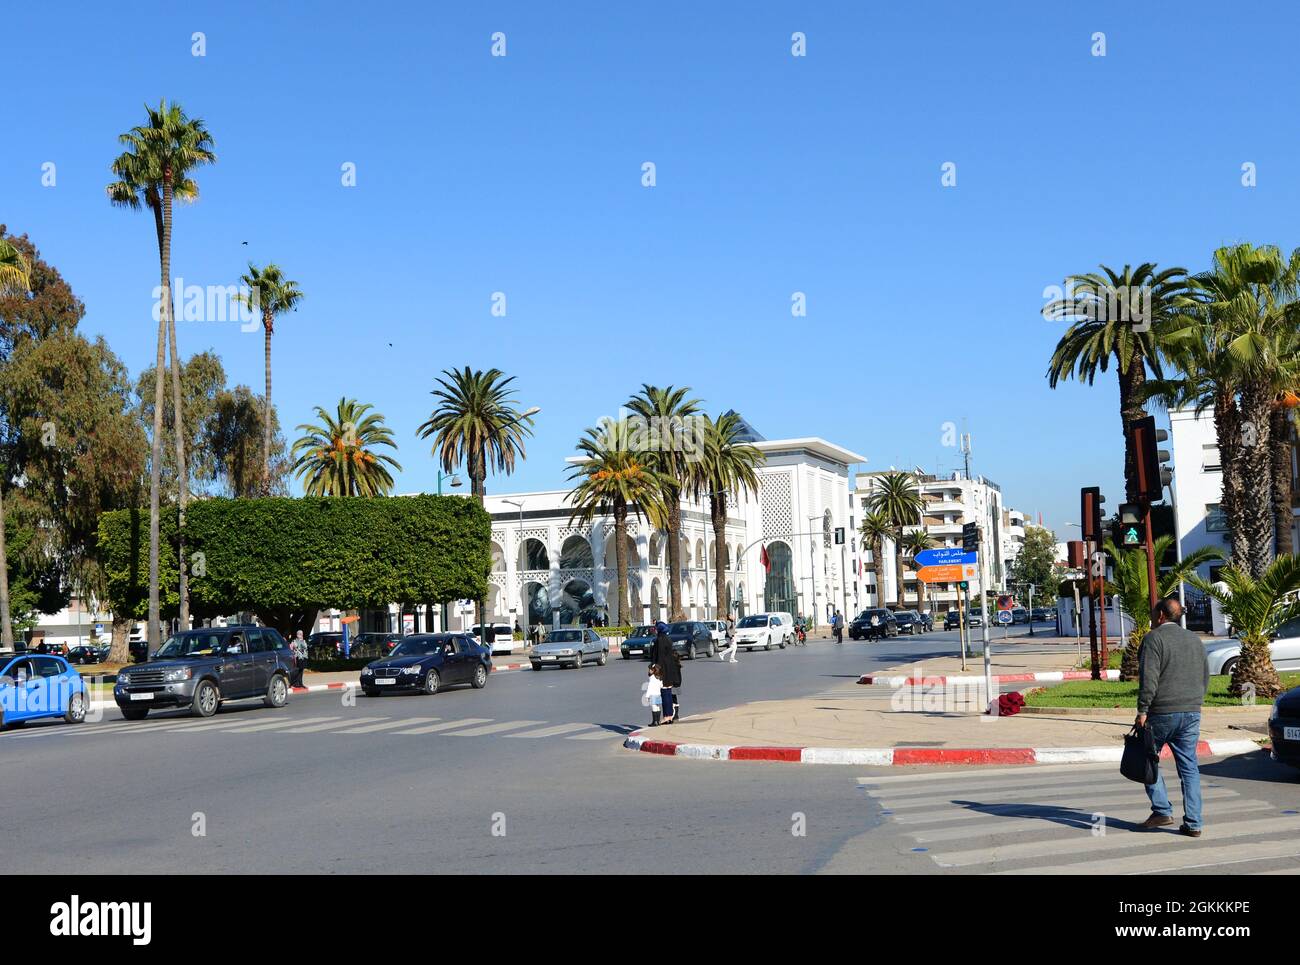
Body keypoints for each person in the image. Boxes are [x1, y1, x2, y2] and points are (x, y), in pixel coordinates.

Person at [1134, 598, 1210, 837]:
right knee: (1189, 767)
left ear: (1161, 616)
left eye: (1154, 612)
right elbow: (1205, 675)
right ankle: (1194, 823)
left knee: (1148, 758)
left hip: (1162, 712)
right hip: (1191, 712)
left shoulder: (1153, 639)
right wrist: (1196, 702)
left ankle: (1162, 810)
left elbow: (1149, 679)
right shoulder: (1194, 639)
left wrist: (1143, 710)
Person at [651, 621, 682, 723]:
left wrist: (655, 669)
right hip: (670, 668)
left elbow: (659, 656)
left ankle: (666, 716)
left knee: (664, 693)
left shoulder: (659, 640)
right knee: (668, 692)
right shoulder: (669, 639)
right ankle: (670, 716)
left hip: (662, 669)